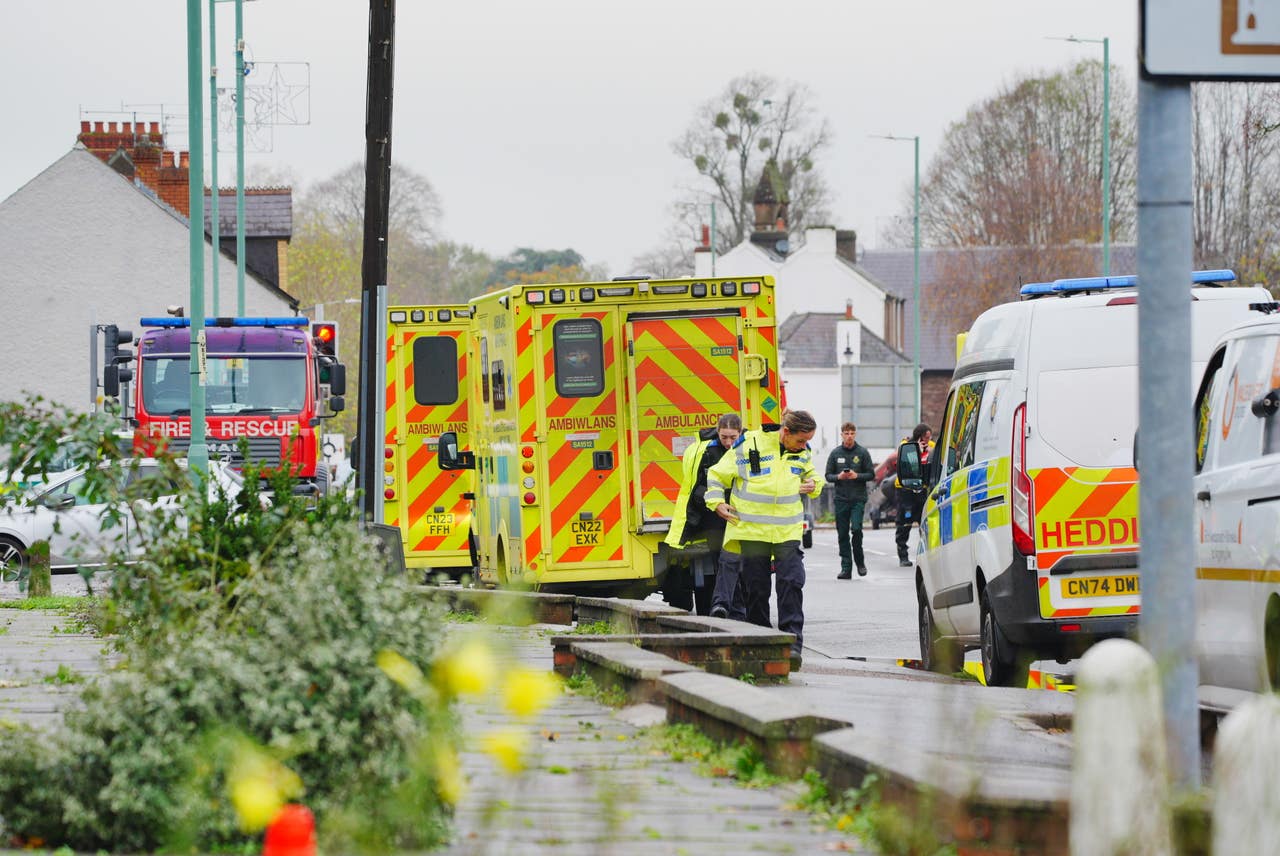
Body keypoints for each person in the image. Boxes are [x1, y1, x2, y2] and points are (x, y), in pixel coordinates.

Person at [705, 409, 821, 667]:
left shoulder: (801, 452)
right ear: (786, 432)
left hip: (786, 532)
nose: (804, 446)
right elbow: (716, 475)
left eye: (807, 441)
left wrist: (814, 484)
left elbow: (813, 475)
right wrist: (716, 502)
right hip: (752, 532)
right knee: (756, 591)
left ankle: (792, 646)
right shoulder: (749, 444)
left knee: (791, 583)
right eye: (801, 440)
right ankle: (761, 644)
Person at [664, 414, 744, 617]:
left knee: (743, 567)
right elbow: (695, 486)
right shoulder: (703, 451)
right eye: (724, 437)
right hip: (714, 518)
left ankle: (737, 612)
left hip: (742, 517)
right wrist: (714, 503)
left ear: (740, 432)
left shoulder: (749, 447)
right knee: (723, 565)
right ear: (718, 432)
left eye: (733, 437)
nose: (728, 442)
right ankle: (730, 612)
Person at [825, 422, 875, 579]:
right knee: (842, 534)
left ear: (855, 434)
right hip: (841, 499)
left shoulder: (862, 453)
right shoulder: (835, 453)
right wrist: (839, 477)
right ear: (842, 435)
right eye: (846, 433)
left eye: (852, 433)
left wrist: (857, 476)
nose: (849, 436)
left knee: (857, 530)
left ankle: (860, 562)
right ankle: (846, 568)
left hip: (858, 498)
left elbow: (871, 474)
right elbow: (828, 475)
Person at [895, 422, 934, 567]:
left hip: (922, 489)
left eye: (929, 437)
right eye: (925, 437)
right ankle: (903, 555)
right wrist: (916, 450)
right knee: (904, 523)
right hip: (906, 490)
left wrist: (930, 451)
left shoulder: (931, 446)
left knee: (925, 522)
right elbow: (904, 462)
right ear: (919, 437)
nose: (928, 440)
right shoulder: (906, 446)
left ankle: (927, 555)